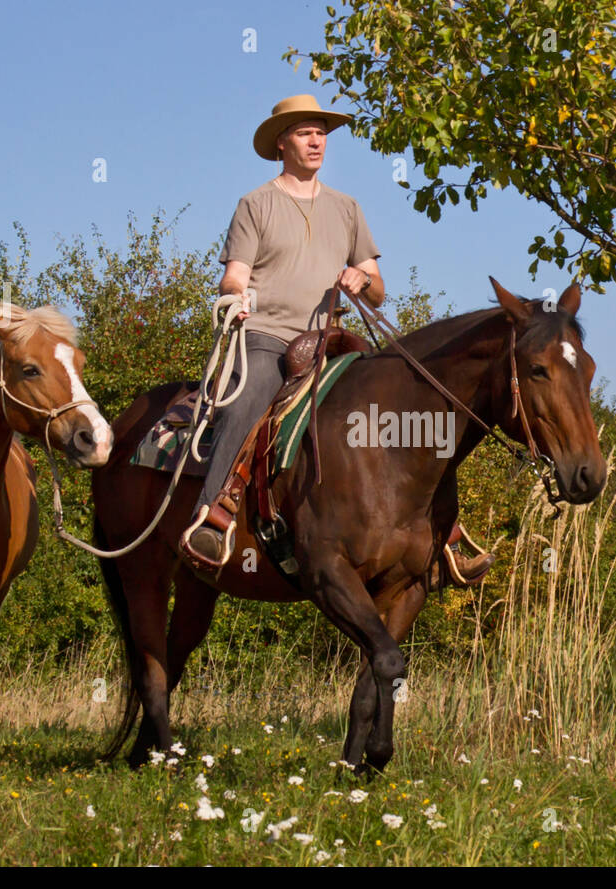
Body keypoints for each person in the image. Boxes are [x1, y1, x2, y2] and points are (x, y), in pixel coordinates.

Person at [182, 94, 492, 588]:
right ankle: (212, 518)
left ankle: (445, 531)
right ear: (282, 143)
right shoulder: (255, 204)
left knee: (404, 411)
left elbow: (379, 287)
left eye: (321, 133)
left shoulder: (347, 208)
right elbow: (233, 276)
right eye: (305, 132)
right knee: (247, 402)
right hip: (268, 336)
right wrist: (237, 297)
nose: (316, 141)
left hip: (328, 340)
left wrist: (360, 280)